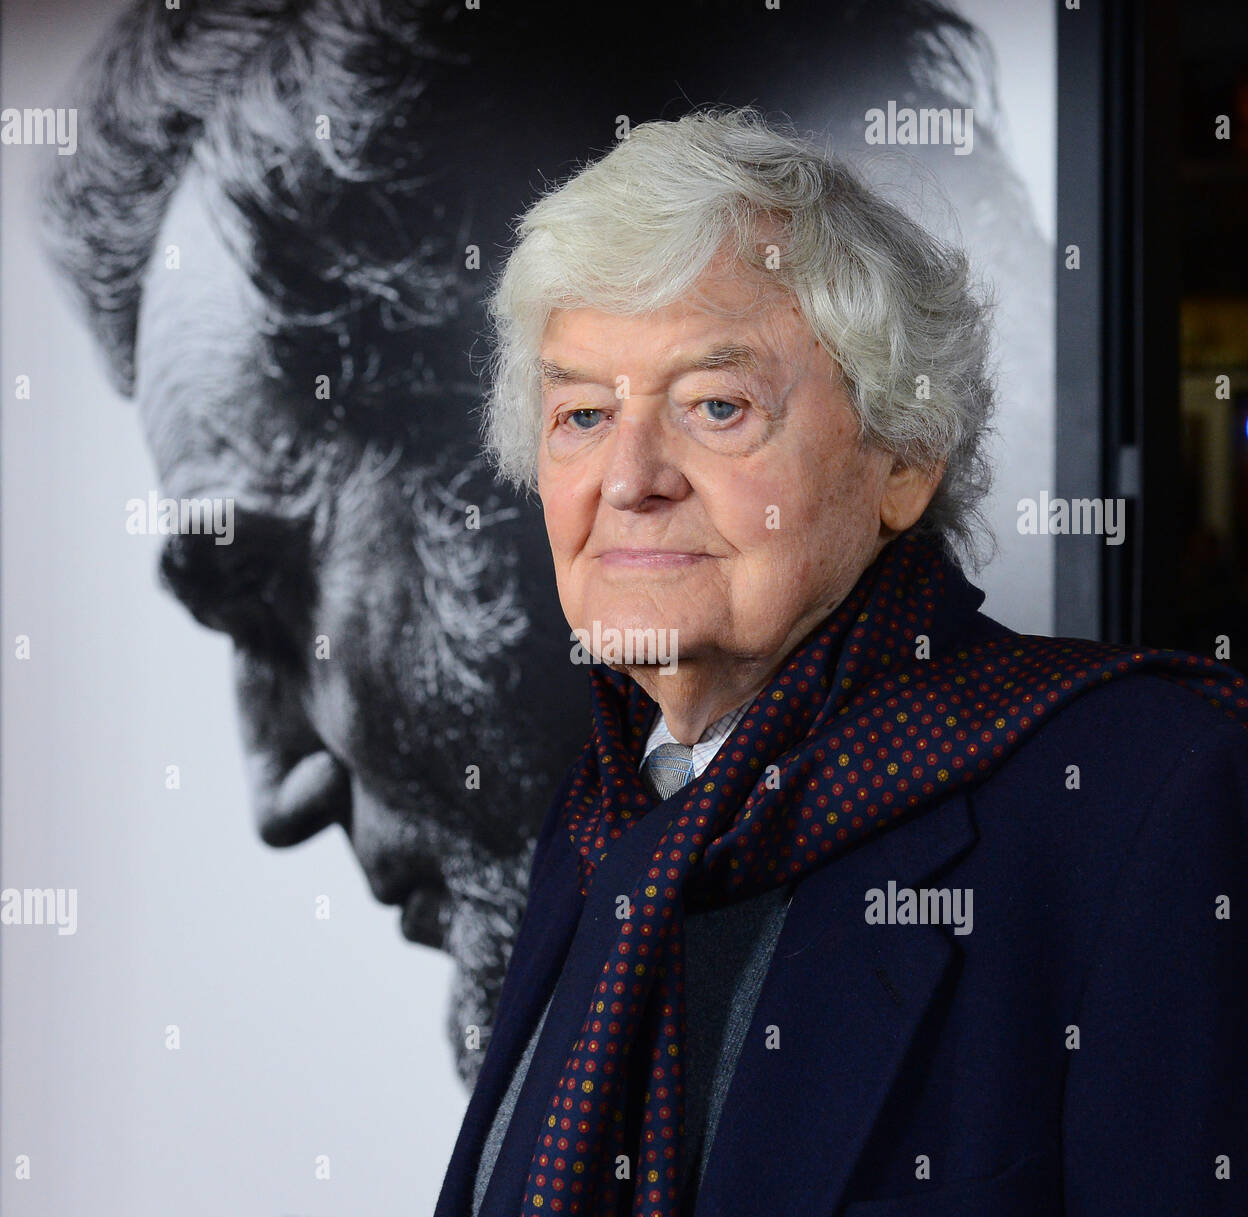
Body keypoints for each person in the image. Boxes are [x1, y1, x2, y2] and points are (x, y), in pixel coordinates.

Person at [38, 0, 1047, 1085]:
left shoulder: (1136, 824)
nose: (275, 790)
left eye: (718, 406)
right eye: (577, 422)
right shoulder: (591, 903)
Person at [414, 109, 1248, 1217]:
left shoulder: (1150, 798)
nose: (630, 477)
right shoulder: (606, 818)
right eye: (582, 415)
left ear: (902, 460)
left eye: (716, 406)